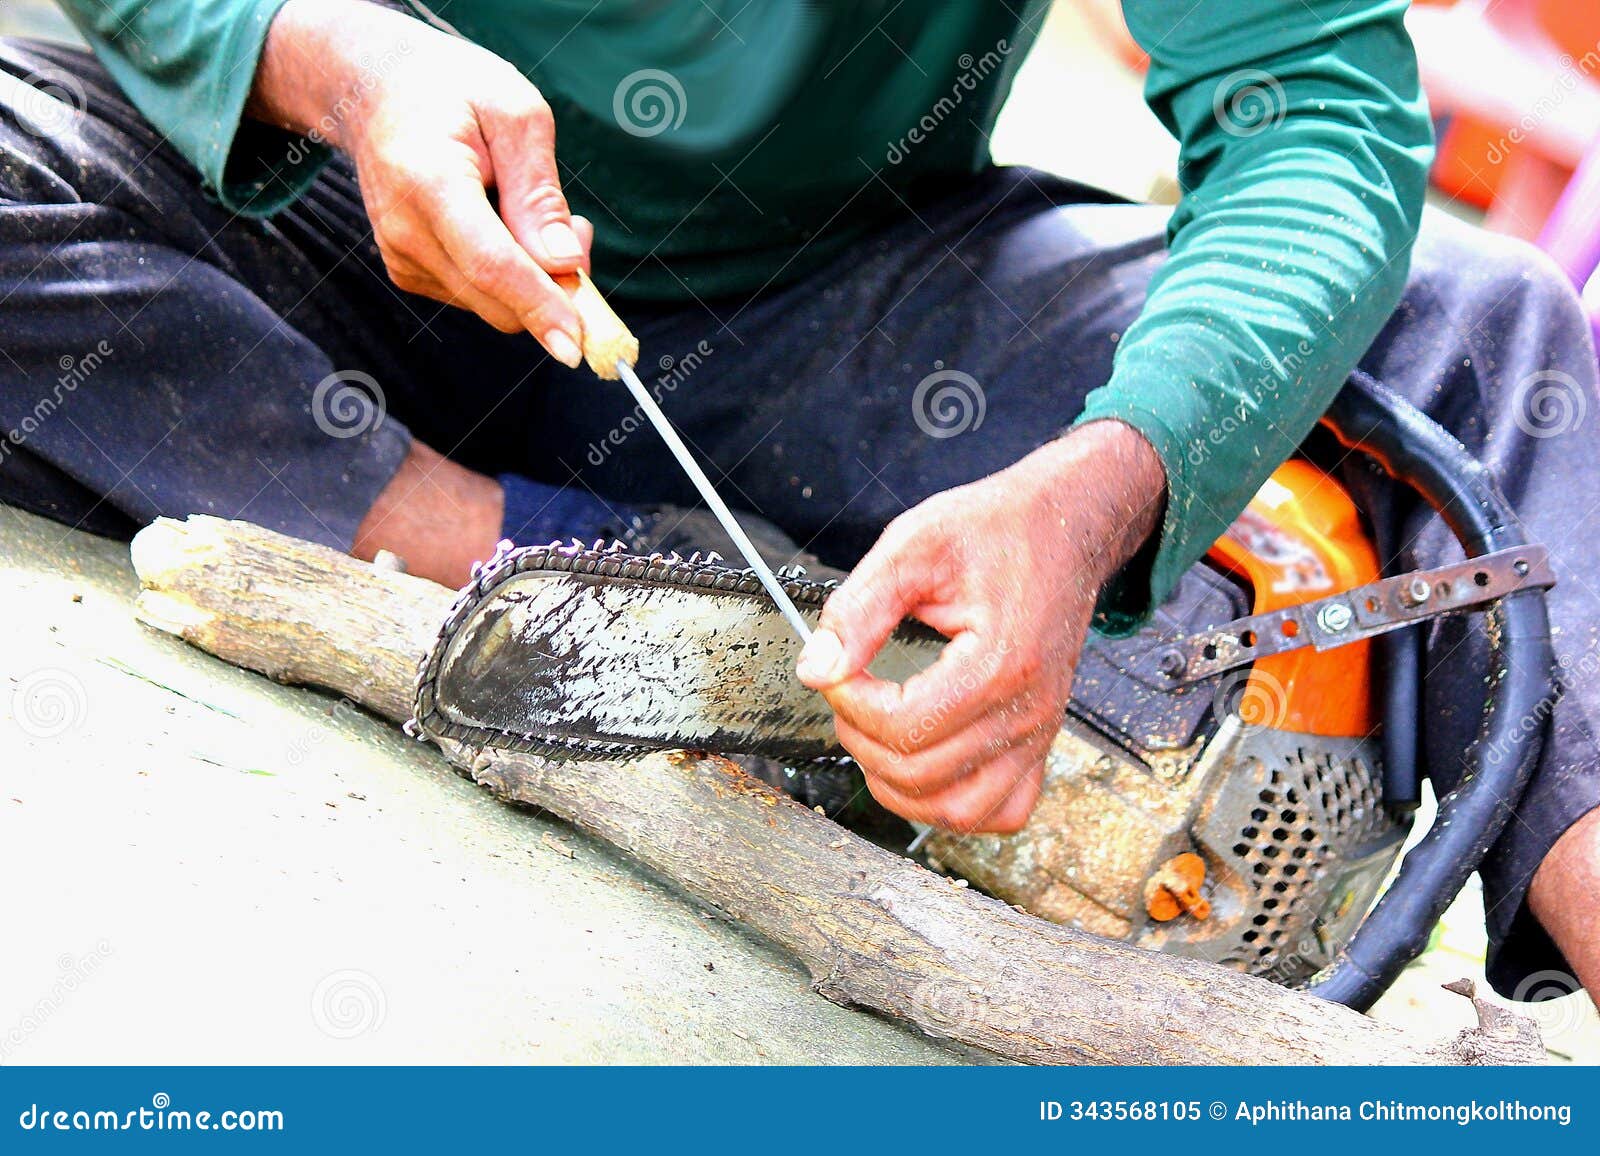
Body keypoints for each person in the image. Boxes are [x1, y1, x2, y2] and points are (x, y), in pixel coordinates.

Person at [0, 0, 1595, 1005]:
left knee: (1482, 340)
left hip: (834, 299)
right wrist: (336, 62)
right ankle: (513, 550)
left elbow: (1313, 110)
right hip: (327, 207)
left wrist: (1104, 486)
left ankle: (709, 620)